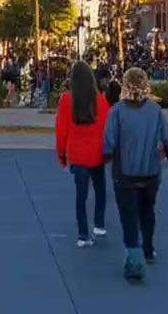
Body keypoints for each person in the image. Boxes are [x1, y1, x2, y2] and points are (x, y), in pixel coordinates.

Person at [102, 67, 168, 282]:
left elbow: (109, 142)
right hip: (150, 172)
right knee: (147, 211)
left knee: (128, 216)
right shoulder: (154, 110)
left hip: (125, 174)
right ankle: (148, 248)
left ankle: (134, 256)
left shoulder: (117, 111)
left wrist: (105, 156)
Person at [55, 62, 111, 248]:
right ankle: (99, 225)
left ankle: (83, 235)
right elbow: (108, 129)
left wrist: (61, 154)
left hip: (77, 155)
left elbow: (61, 131)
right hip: (96, 154)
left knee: (81, 196)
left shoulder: (65, 100)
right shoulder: (100, 101)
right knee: (100, 190)